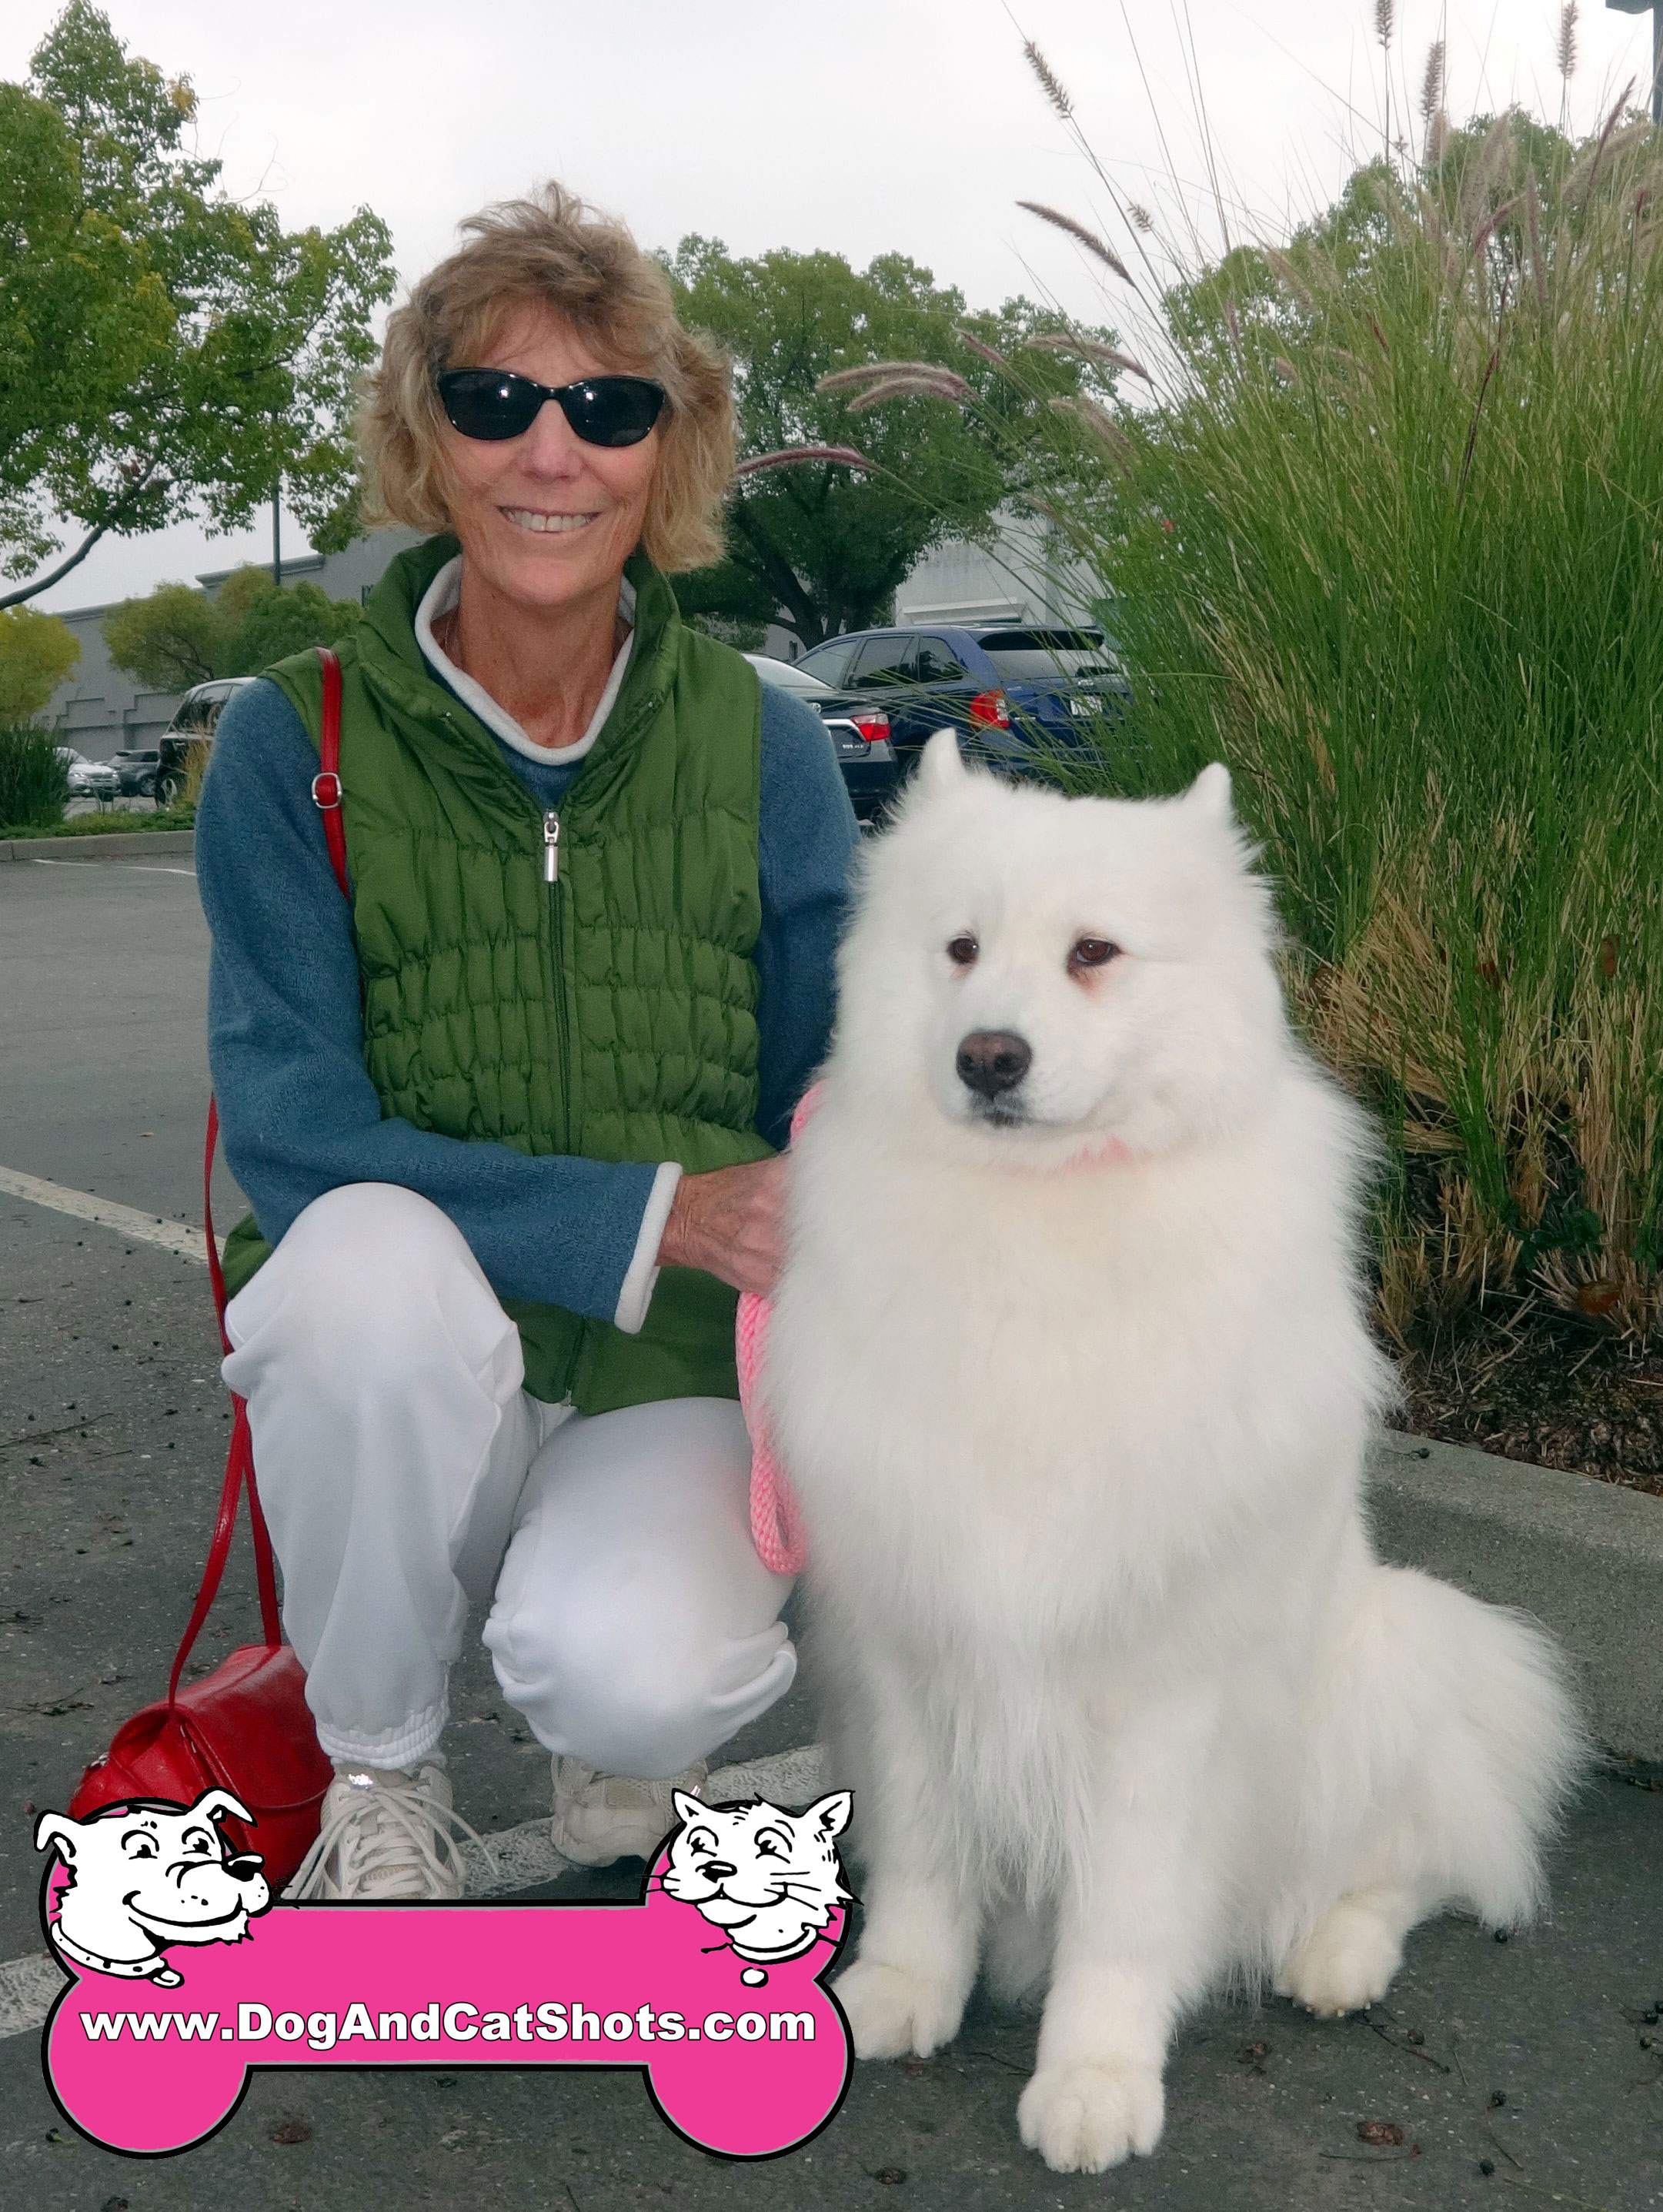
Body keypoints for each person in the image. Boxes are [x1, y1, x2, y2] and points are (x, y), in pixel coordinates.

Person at [195, 183, 858, 1902]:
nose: (550, 453)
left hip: (672, 1368)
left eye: (608, 406)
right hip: (425, 1364)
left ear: (665, 450)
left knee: (641, 1677)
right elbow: (296, 1134)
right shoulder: (291, 740)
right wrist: (656, 1214)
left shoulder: (766, 743)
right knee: (353, 1274)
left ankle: (611, 1710)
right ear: (427, 436)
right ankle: (380, 1772)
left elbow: (829, 1083)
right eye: (494, 399)